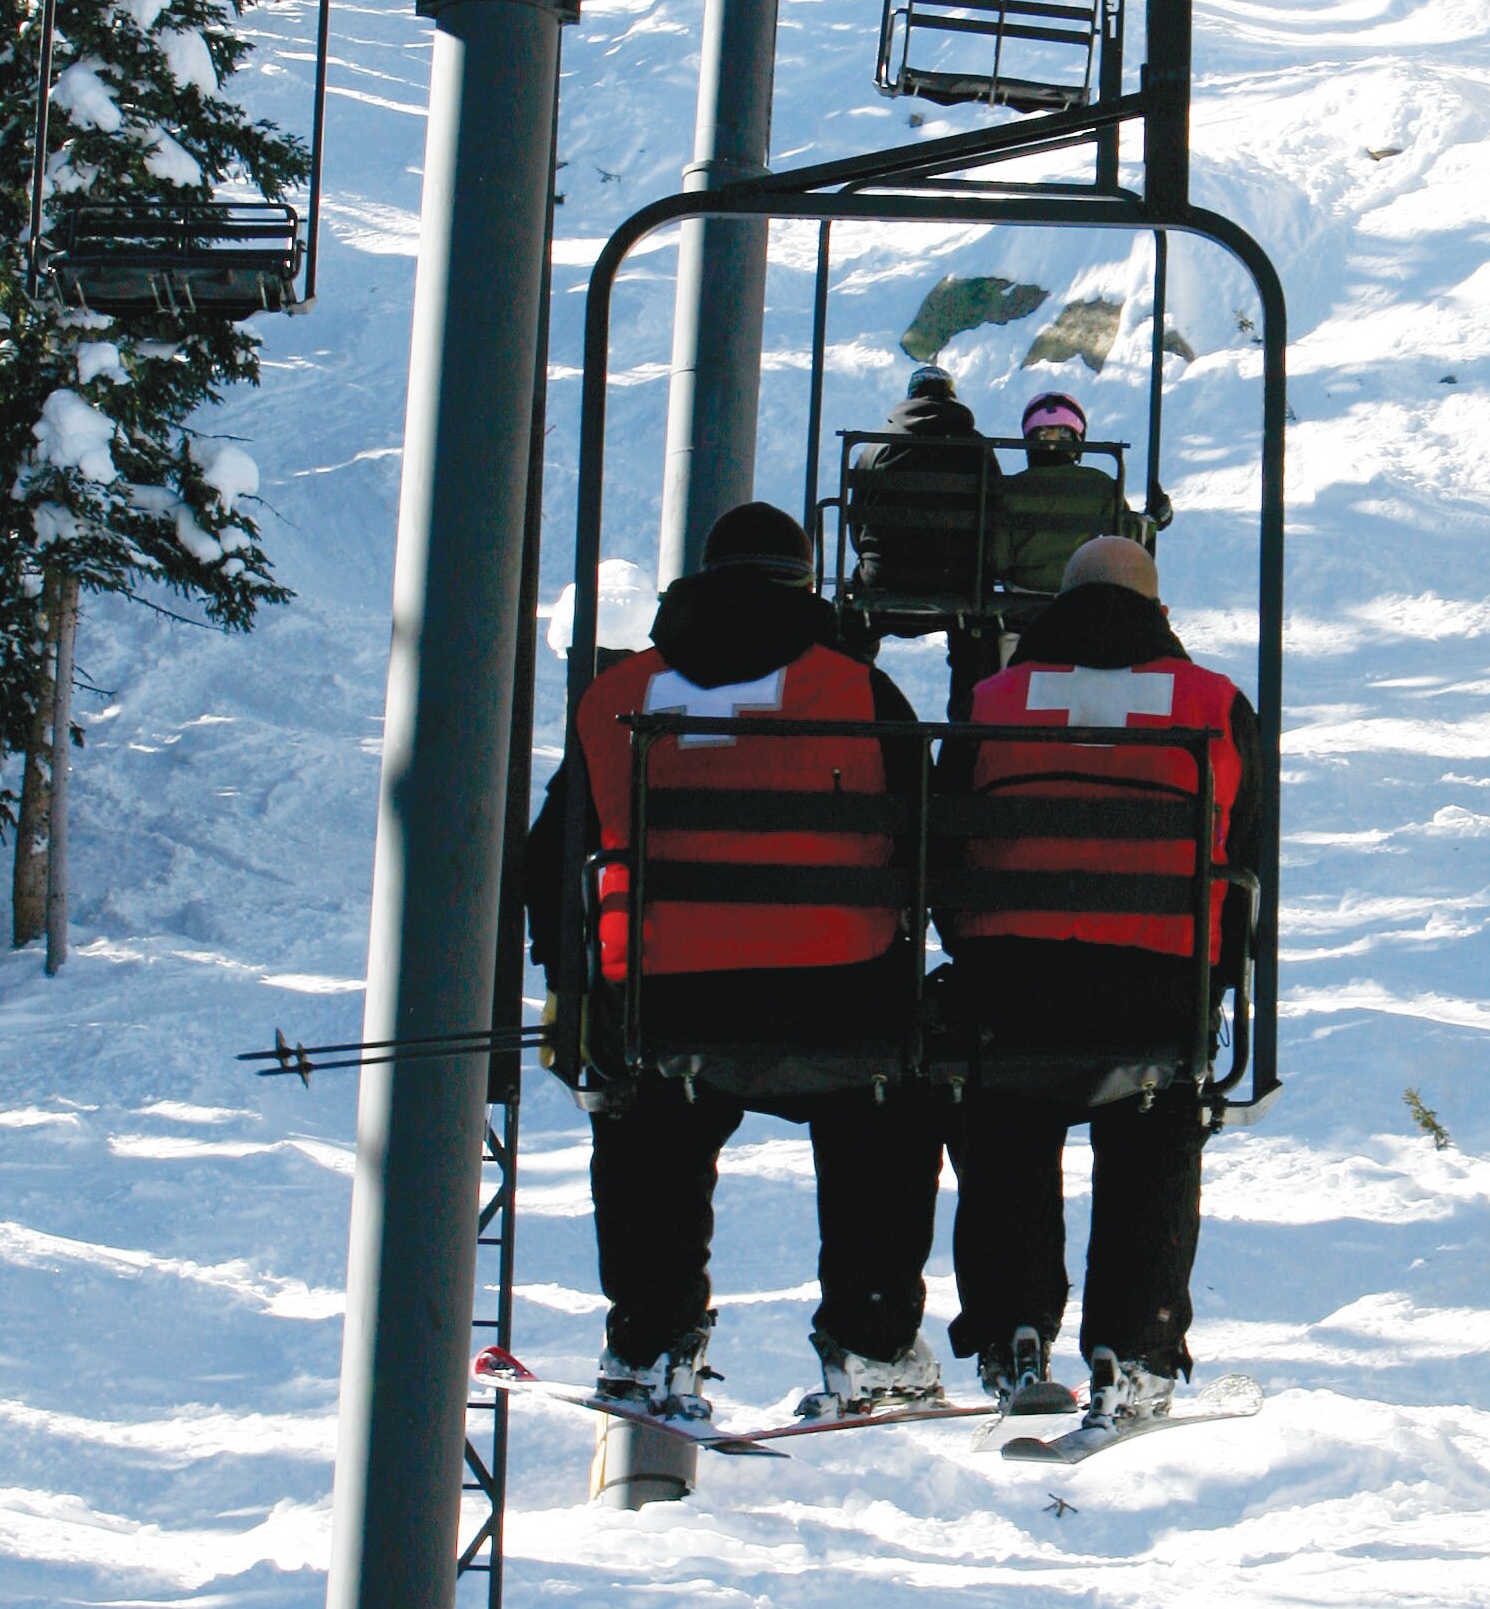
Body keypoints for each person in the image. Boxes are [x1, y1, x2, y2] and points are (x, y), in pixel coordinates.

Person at [525, 501, 945, 1423]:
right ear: (806, 587)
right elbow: (926, 840)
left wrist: (571, 984)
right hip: (839, 998)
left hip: (665, 998)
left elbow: (554, 854)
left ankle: (649, 1339)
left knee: (649, 1103)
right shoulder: (856, 692)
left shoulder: (612, 697)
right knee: (889, 1099)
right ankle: (872, 1339)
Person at [934, 534, 1259, 1430]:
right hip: (1155, 986)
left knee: (1004, 1111)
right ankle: (1136, 1342)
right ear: (1158, 612)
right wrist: (1212, 984)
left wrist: (979, 945)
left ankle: (1013, 1330)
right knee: (1154, 1113)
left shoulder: (994, 699)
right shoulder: (1214, 703)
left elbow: (943, 848)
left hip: (1012, 985)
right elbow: (1243, 859)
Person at [842, 363, 998, 716]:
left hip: (883, 580)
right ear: (952, 397)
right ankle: (965, 728)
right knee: (975, 638)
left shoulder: (876, 447)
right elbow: (993, 521)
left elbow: (857, 530)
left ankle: (858, 710)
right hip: (959, 585)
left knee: (851, 628)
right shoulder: (977, 448)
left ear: (910, 397)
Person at [988, 390, 1153, 603]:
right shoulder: (1100, 484)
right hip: (1079, 591)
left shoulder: (1010, 489)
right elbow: (1127, 536)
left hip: (1024, 591)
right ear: (1077, 440)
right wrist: (1155, 521)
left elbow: (998, 559)